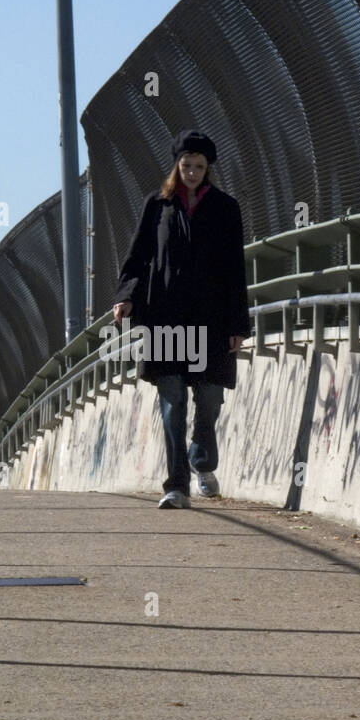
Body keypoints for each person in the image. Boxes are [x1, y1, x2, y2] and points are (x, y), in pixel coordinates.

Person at [110, 130, 250, 508]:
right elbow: (138, 256)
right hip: (165, 317)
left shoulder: (225, 208)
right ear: (176, 165)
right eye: (186, 165)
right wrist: (125, 297)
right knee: (171, 401)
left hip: (211, 321)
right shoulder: (157, 205)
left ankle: (203, 462)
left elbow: (235, 269)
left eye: (199, 166)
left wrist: (238, 323)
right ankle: (176, 485)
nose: (191, 172)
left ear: (208, 169)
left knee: (208, 399)